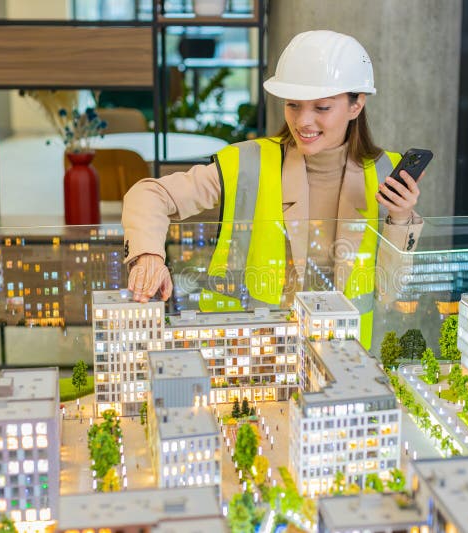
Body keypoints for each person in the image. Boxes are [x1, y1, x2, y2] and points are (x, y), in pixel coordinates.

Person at [123, 30, 424, 347]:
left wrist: (401, 218)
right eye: (293, 105)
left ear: (356, 105)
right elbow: (148, 194)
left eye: (321, 108)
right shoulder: (248, 163)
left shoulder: (386, 173)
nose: (303, 121)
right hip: (252, 354)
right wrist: (148, 256)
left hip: (345, 357)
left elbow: (390, 292)